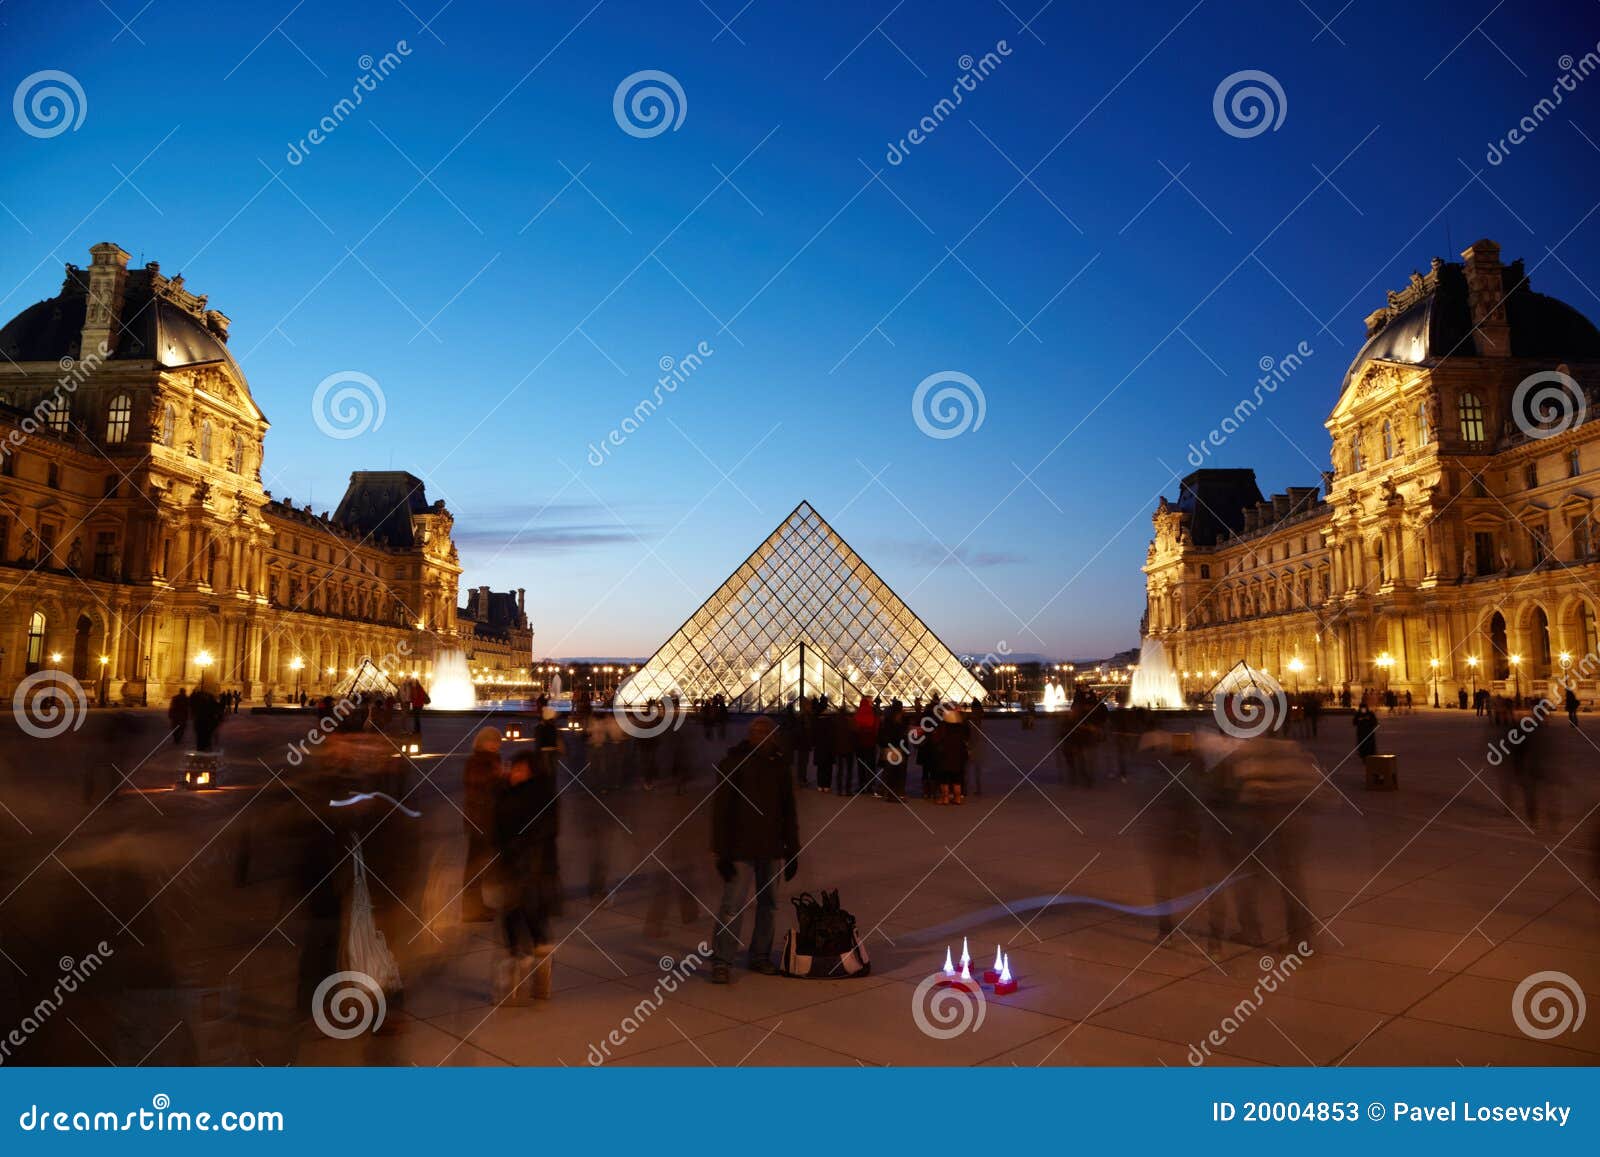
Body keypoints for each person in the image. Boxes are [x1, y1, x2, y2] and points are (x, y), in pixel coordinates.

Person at [710, 717, 798, 983]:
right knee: (732, 906)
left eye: (764, 731)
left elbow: (788, 810)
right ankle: (722, 960)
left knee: (768, 905)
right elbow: (721, 810)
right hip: (740, 848)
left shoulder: (779, 765)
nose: (759, 734)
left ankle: (759, 955)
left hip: (771, 847)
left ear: (773, 736)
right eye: (755, 731)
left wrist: (793, 848)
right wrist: (721, 850)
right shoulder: (734, 763)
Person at [492, 751, 560, 1001]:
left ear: (531, 770)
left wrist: (520, 850)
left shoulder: (542, 796)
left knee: (534, 921)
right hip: (511, 869)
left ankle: (540, 974)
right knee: (510, 920)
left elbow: (544, 832)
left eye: (520, 769)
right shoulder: (506, 794)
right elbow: (496, 826)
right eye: (513, 768)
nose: (514, 773)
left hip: (535, 870)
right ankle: (513, 980)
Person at [461, 727, 504, 922]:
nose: (496, 744)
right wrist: (497, 775)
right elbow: (475, 781)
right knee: (475, 865)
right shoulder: (477, 760)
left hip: (488, 818)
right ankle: (470, 910)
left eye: (498, 741)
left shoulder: (492, 759)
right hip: (479, 819)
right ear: (482, 742)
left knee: (481, 864)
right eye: (492, 741)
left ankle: (476, 905)